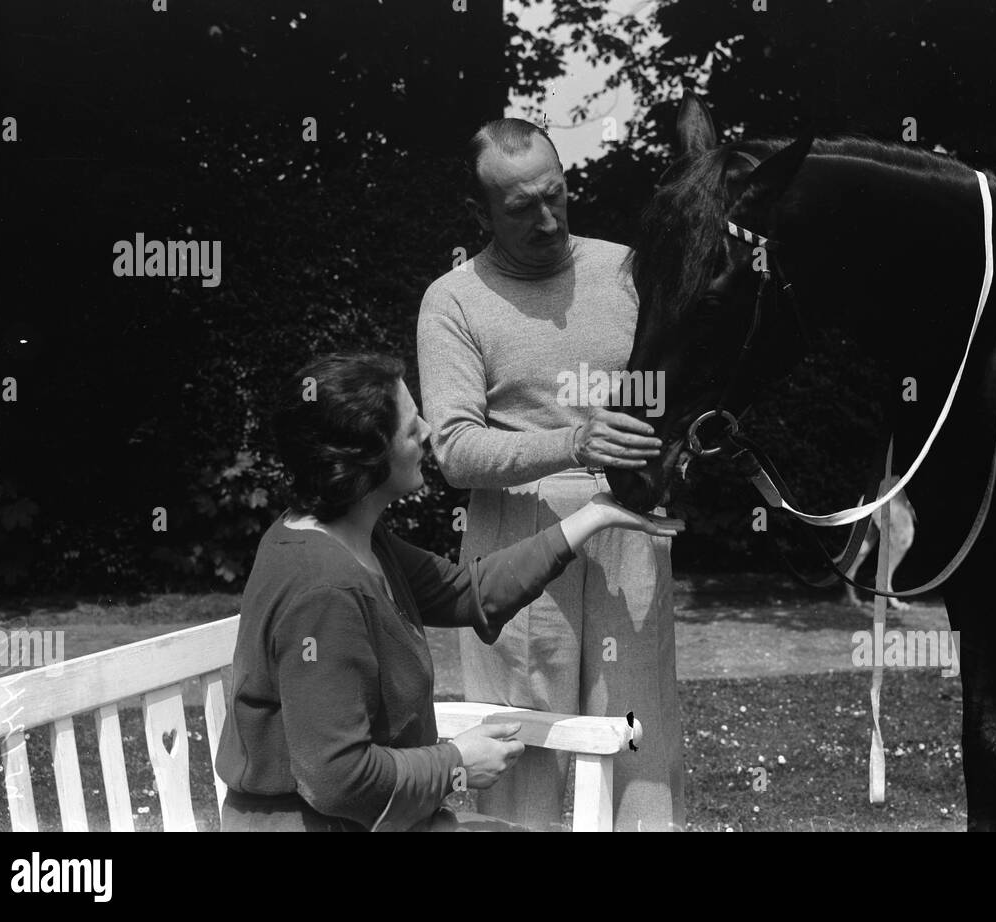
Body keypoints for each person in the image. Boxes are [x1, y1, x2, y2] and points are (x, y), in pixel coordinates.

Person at [213, 351, 680, 831]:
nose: (429, 432)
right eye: (411, 427)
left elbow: (467, 590)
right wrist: (456, 763)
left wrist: (593, 516)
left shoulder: (355, 537)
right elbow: (337, 778)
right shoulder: (324, 589)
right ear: (366, 457)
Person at [417, 118, 686, 831]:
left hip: (629, 542)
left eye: (556, 195)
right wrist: (575, 441)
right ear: (481, 214)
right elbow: (453, 450)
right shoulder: (454, 299)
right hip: (518, 549)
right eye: (520, 209)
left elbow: (677, 397)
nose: (547, 219)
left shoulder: (629, 272)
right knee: (517, 765)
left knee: (640, 749)